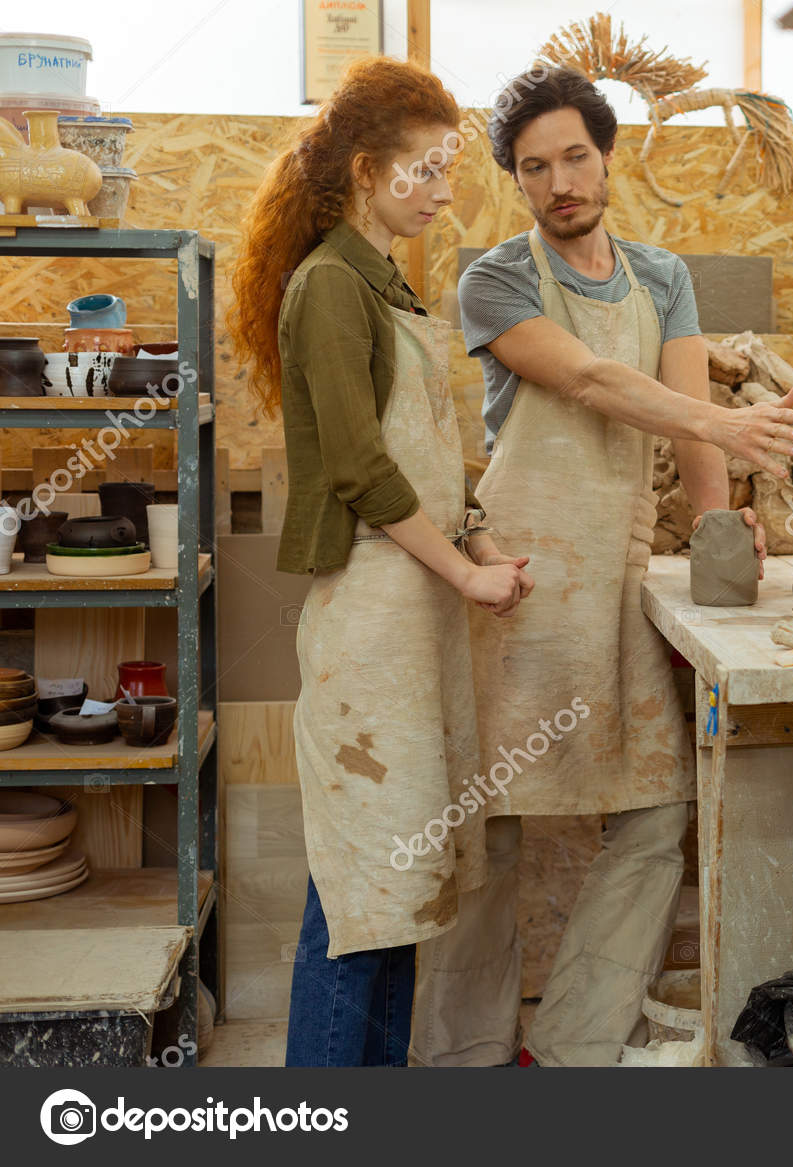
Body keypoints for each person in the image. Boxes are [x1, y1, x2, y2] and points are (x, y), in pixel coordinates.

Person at [410, 65, 793, 1067]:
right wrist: (728, 421)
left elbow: (689, 425)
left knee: (655, 812)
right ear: (515, 179)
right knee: (491, 825)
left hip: (620, 581)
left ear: (607, 154)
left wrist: (718, 529)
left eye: (575, 158)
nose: (560, 184)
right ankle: (462, 1057)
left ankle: (576, 1046)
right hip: (517, 580)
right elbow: (590, 380)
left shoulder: (662, 277)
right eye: (534, 168)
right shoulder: (494, 279)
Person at [229, 56, 535, 1067]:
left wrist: (478, 536)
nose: (447, 192)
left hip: (416, 608)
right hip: (371, 609)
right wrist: (467, 576)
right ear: (366, 170)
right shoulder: (327, 285)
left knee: (401, 894)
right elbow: (361, 467)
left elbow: (430, 458)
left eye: (450, 170)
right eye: (428, 170)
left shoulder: (386, 283)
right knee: (359, 898)